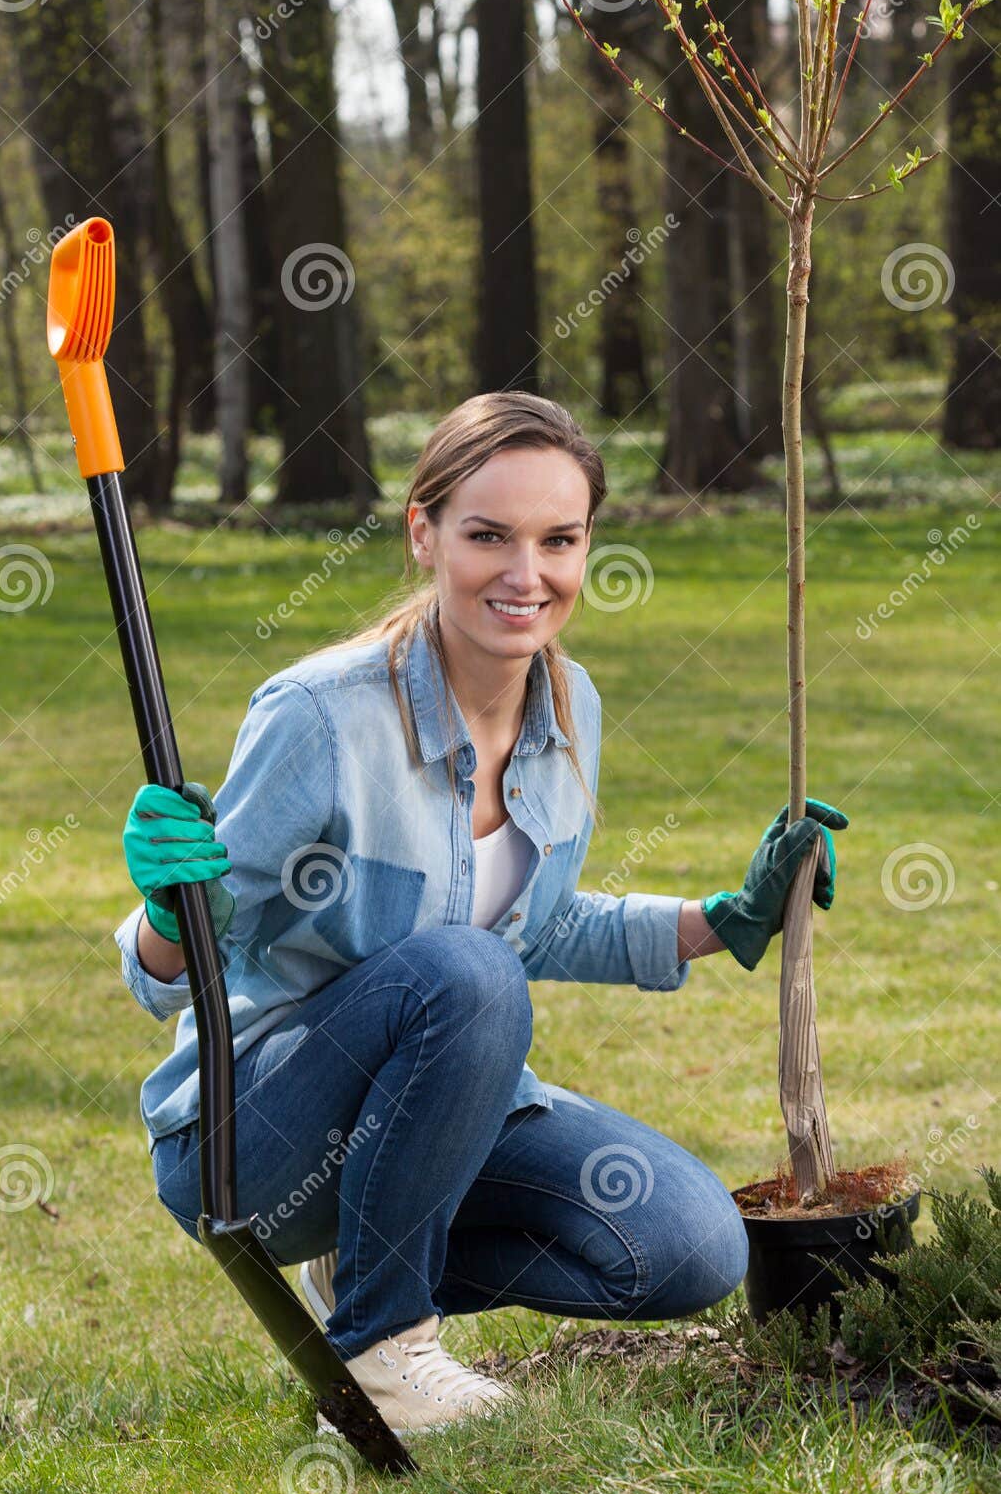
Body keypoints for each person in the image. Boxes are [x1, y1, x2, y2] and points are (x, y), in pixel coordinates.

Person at [115, 391, 848, 1438]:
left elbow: (529, 931)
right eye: (486, 535)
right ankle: (380, 1358)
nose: (526, 573)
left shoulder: (569, 706)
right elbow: (170, 972)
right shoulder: (320, 715)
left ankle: (368, 1258)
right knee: (461, 971)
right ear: (423, 532)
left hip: (424, 1111)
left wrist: (720, 920)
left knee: (692, 1248)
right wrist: (165, 908)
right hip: (251, 1138)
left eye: (559, 538)